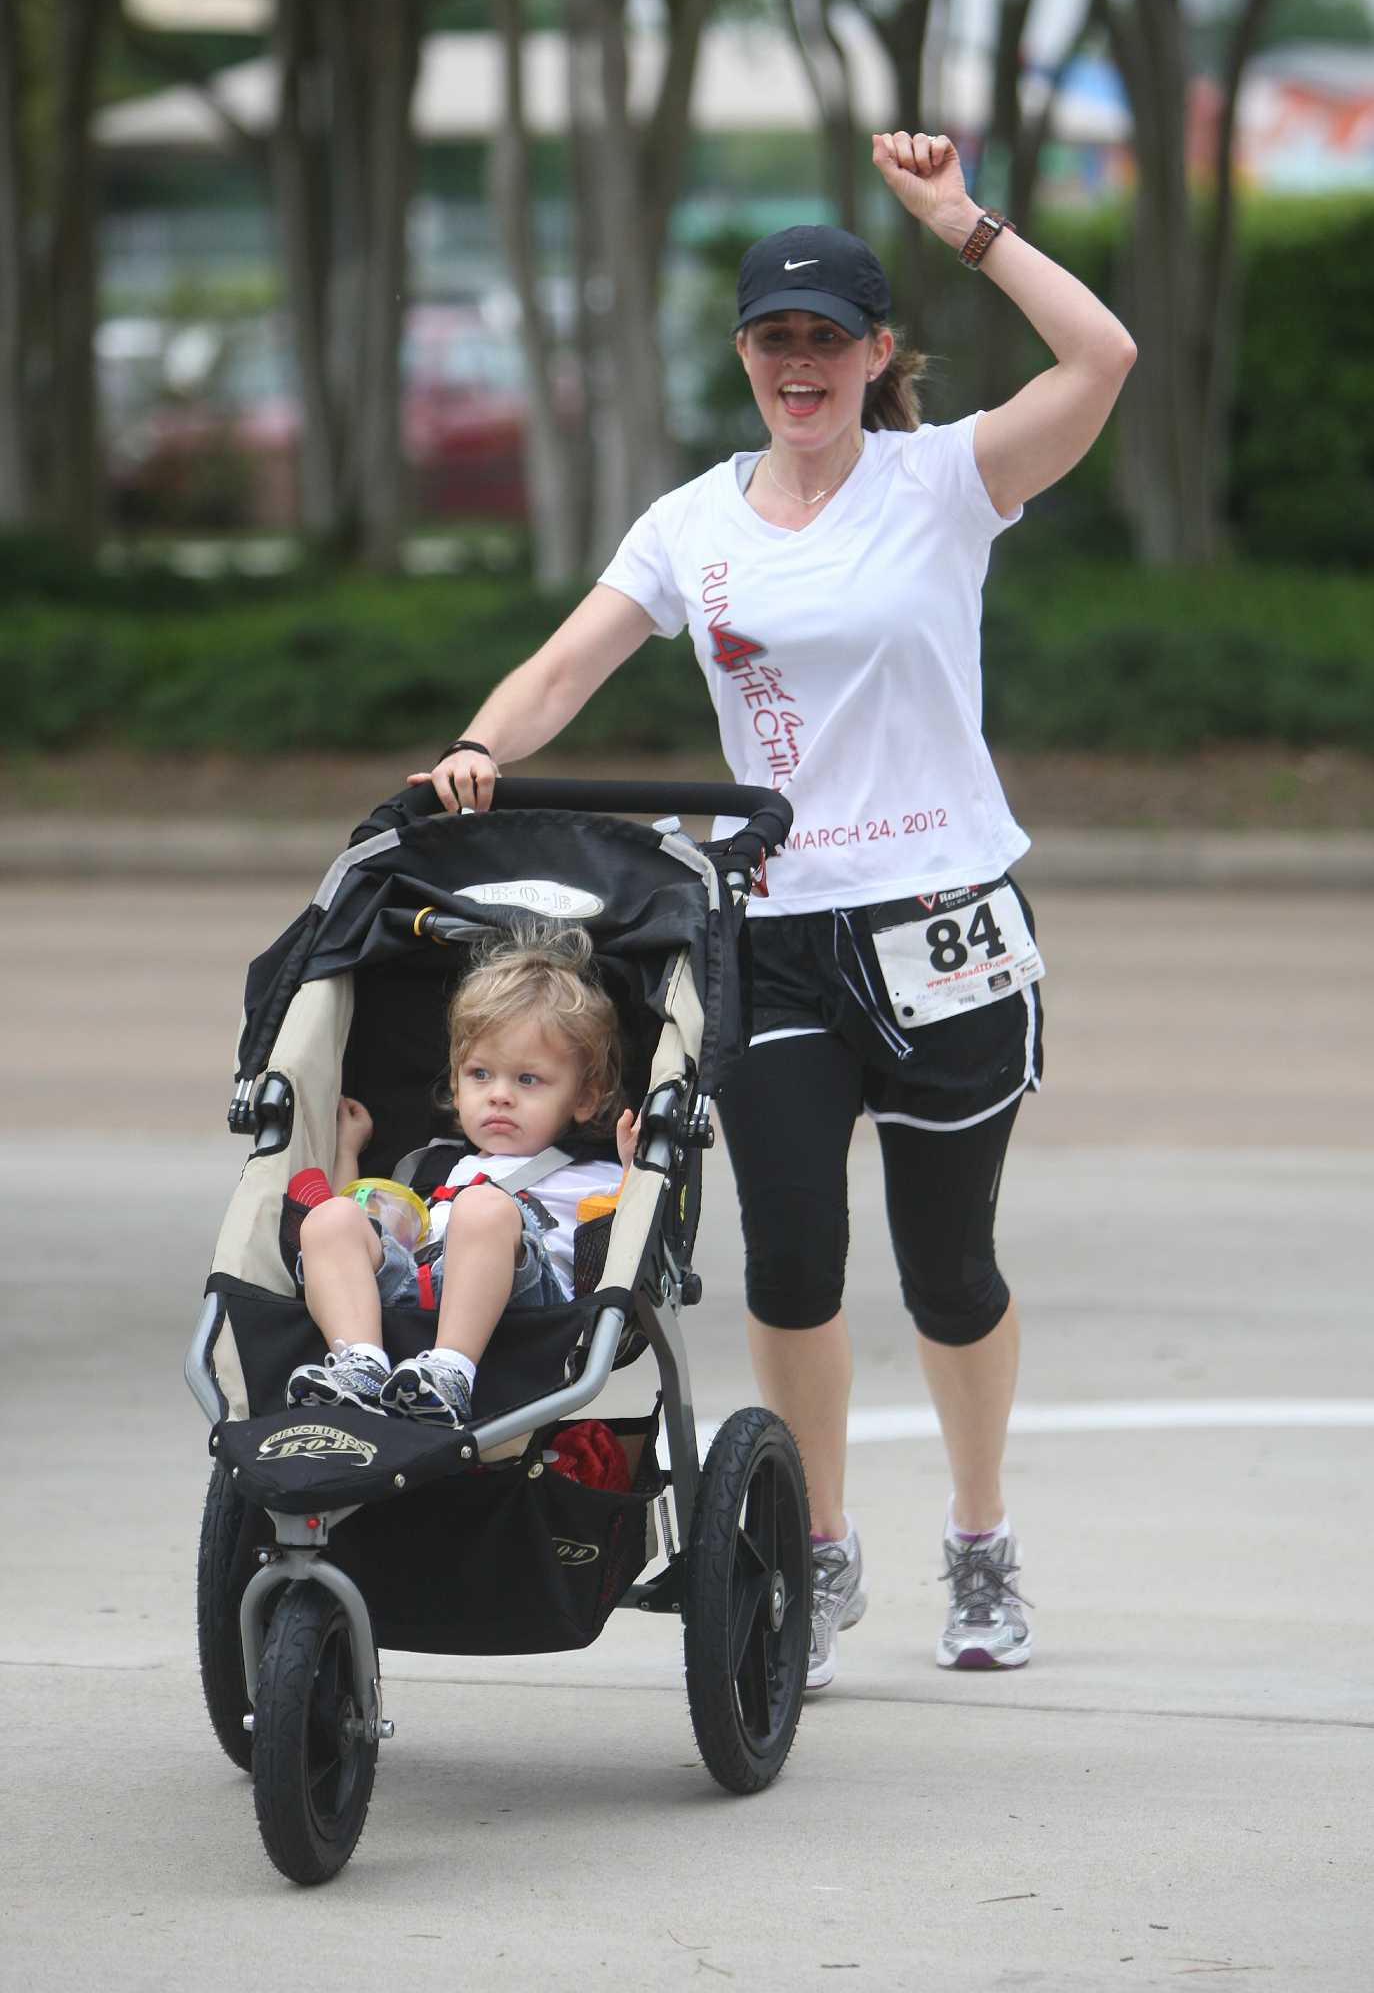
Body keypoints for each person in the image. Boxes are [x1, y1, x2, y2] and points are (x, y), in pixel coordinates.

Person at [412, 130, 1136, 1675]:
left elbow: (1103, 354)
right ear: (745, 358)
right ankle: (811, 1547)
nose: (797, 365)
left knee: (948, 1271)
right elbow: (565, 664)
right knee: (793, 1260)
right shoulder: (694, 524)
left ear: (878, 356)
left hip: (941, 925)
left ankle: (979, 1535)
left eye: (825, 340)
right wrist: (478, 746)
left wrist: (961, 224)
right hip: (773, 934)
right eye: (771, 341)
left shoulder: (948, 478)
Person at [286, 923, 637, 1428]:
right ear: (455, 1082)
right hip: (417, 1286)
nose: (499, 1094)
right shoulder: (435, 1166)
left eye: (528, 1080)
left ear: (583, 1098)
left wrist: (635, 1168)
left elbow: (624, 1236)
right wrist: (348, 1150)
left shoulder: (592, 1172)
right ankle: (360, 1362)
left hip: (528, 1305)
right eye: (480, 1075)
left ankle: (452, 1369)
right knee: (330, 1219)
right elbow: (368, 1215)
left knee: (482, 1208)